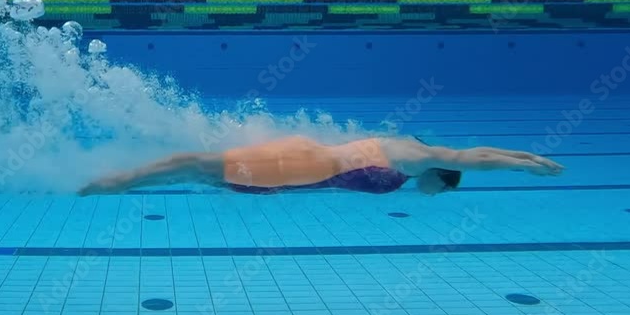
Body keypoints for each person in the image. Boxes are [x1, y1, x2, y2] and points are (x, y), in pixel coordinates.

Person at [77, 135, 564, 196]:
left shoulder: (411, 158)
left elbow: (467, 157)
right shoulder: (419, 159)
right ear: (442, 177)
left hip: (296, 168)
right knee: (190, 165)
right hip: (294, 165)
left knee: (190, 168)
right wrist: (527, 163)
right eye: (445, 188)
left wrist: (524, 156)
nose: (435, 195)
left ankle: (111, 180)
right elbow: (470, 157)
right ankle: (108, 182)